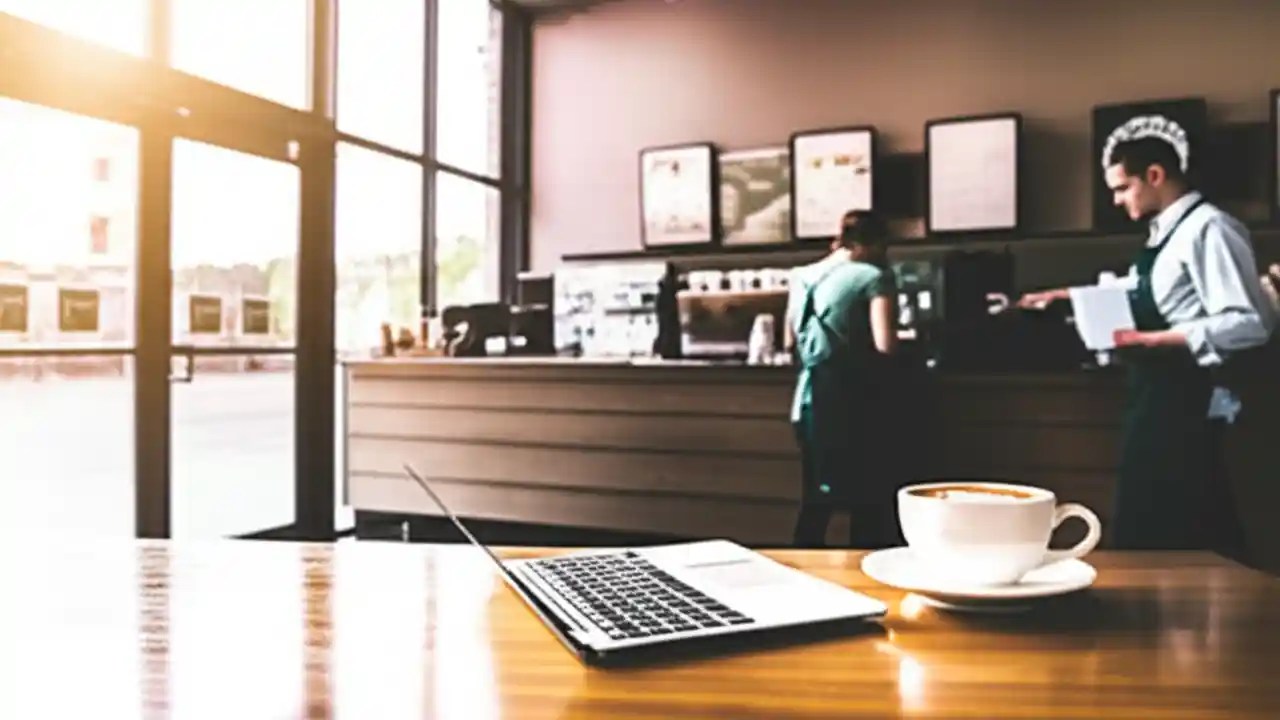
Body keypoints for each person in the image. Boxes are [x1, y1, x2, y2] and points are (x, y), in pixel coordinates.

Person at [1019, 131, 1277, 557]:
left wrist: (1155, 339)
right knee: (1146, 513)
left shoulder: (1209, 228)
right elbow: (1145, 289)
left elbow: (1250, 322)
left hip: (1192, 398)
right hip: (1153, 393)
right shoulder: (1165, 233)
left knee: (1185, 523)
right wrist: (1064, 295)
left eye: (1123, 188)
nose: (1118, 200)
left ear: (1154, 175)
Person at [783, 209, 899, 548]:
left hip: (807, 400)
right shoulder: (874, 276)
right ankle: (863, 575)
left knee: (816, 497)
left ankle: (802, 566)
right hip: (854, 401)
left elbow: (789, 341)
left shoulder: (802, 275)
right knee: (868, 499)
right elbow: (886, 344)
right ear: (872, 243)